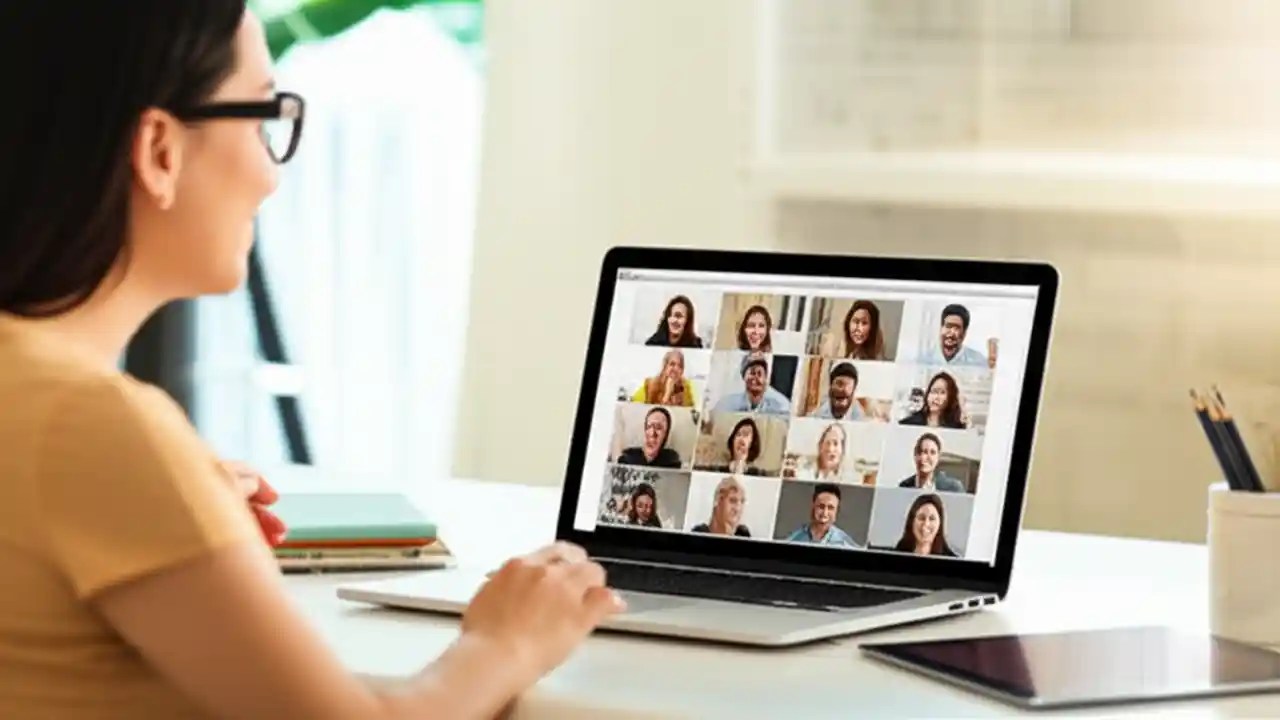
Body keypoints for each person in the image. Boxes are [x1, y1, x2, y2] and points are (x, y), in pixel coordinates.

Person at [0, 5, 624, 718]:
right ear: (160, 152)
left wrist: (177, 514)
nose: (271, 175)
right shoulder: (95, 426)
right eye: (265, 117)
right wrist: (507, 641)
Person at [712, 351, 791, 415]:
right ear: (744, 376)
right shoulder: (727, 403)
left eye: (759, 373)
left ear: (765, 378)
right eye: (752, 373)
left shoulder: (781, 405)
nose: (755, 378)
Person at [785, 484, 859, 547]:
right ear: (813, 507)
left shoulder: (845, 544)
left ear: (837, 510)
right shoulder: (794, 539)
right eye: (821, 506)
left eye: (830, 508)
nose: (825, 513)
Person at [922, 303, 991, 366]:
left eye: (956, 328)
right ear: (941, 328)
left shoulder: (978, 362)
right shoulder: (924, 361)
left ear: (964, 333)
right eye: (948, 326)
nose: (951, 333)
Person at [616, 407, 683, 468]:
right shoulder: (627, 458)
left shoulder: (672, 461)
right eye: (648, 427)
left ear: (666, 435)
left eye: (658, 428)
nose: (652, 433)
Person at [893, 494, 958, 557]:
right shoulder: (896, 553)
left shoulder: (952, 559)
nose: (926, 524)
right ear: (912, 521)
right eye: (921, 518)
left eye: (932, 519)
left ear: (940, 523)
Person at [899, 433, 966, 493]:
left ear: (938, 457)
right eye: (921, 452)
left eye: (932, 452)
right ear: (915, 455)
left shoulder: (953, 488)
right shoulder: (903, 487)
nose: (925, 457)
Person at [899, 371, 967, 429]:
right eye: (933, 391)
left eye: (942, 392)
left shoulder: (956, 427)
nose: (936, 397)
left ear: (950, 397)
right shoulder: (910, 423)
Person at [631, 349, 695, 407]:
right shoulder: (649, 385)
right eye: (672, 364)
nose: (676, 369)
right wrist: (667, 393)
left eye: (680, 366)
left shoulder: (685, 388)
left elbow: (689, 414)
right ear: (665, 367)